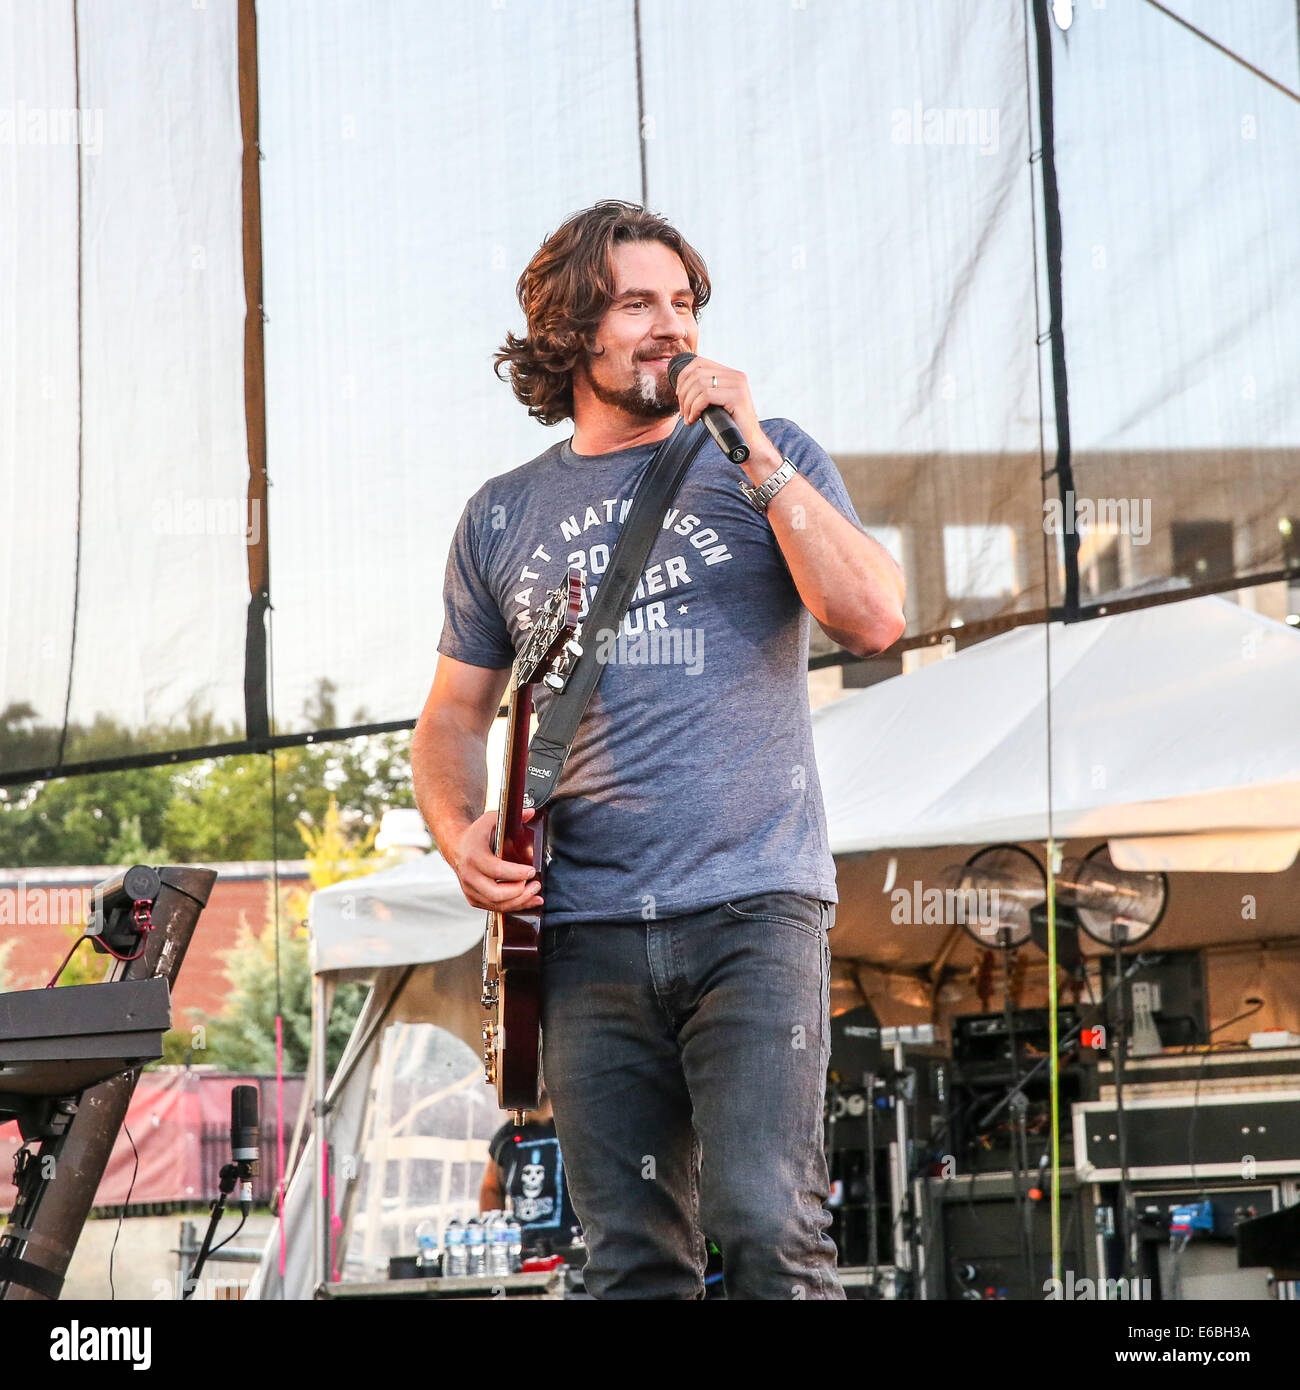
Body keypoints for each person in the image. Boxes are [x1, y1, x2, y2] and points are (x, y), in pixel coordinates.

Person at [413, 200, 905, 1299]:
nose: (669, 327)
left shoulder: (773, 461)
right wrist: (458, 832)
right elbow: (451, 717)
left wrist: (760, 456)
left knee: (768, 1224)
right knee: (629, 1258)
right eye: (636, 303)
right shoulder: (500, 516)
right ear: (569, 329)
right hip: (582, 931)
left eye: (681, 303)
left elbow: (873, 617)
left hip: (754, 904)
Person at [479, 1089, 580, 1251]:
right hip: (525, 1254)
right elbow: (491, 1188)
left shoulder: (575, 1126)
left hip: (572, 1252)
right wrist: (497, 1244)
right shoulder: (507, 1137)